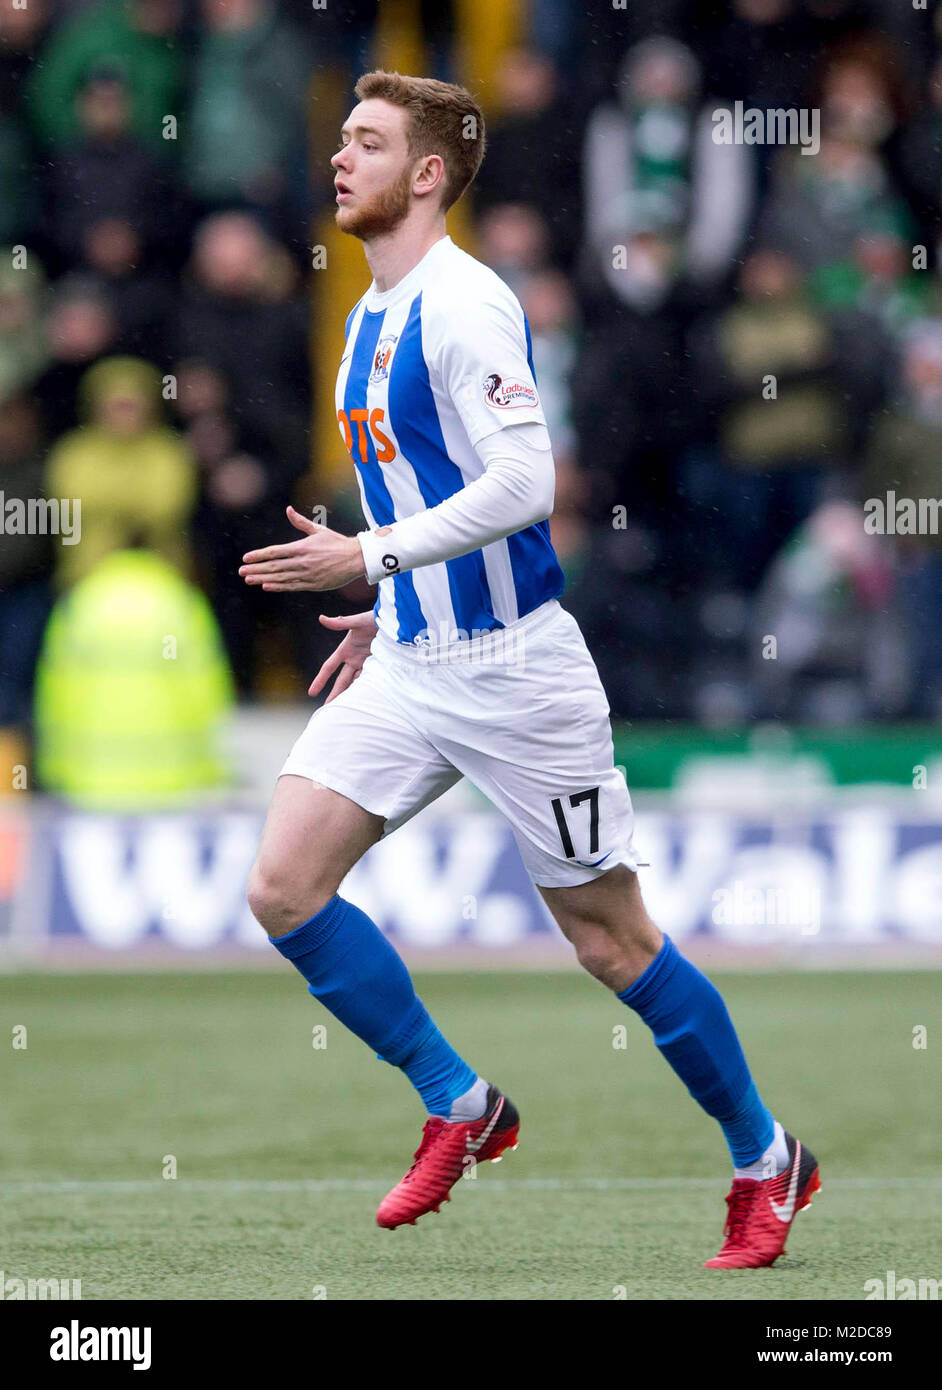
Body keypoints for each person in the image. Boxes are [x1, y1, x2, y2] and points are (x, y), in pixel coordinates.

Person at [240, 71, 820, 1269]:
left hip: (516, 672)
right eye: (343, 138)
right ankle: (460, 1100)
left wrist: (369, 552)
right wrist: (388, 598)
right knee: (283, 889)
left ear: (431, 173)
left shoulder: (467, 303)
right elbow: (427, 489)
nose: (340, 159)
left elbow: (519, 485)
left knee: (611, 942)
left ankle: (769, 1156)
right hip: (411, 656)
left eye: (368, 142)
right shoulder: (366, 312)